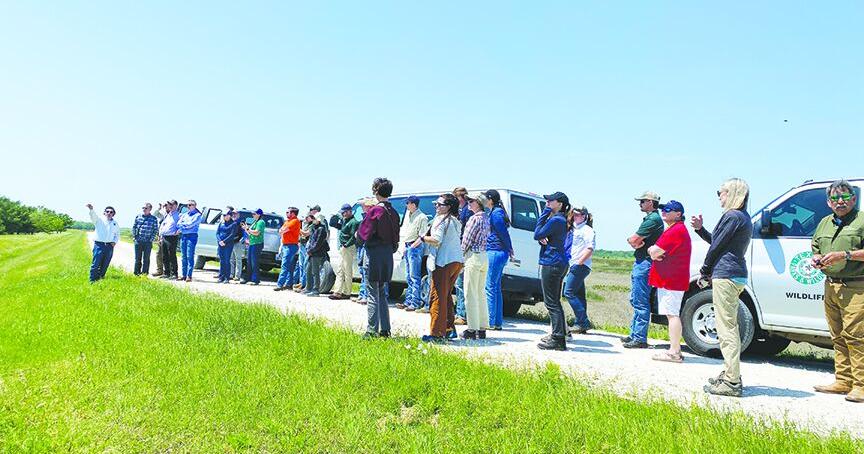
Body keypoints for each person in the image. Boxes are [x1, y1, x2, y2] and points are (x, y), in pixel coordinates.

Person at [691, 178, 752, 397]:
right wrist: (700, 230)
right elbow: (719, 241)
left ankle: (732, 381)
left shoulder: (732, 216)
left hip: (726, 274)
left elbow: (717, 247)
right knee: (729, 326)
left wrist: (705, 270)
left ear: (734, 193)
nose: (719, 195)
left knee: (726, 329)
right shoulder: (741, 217)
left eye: (722, 191)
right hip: (735, 274)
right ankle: (729, 372)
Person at [811, 180, 864, 403]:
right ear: (828, 202)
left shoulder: (861, 220)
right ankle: (843, 380)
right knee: (838, 334)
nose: (839, 201)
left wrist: (845, 255)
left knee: (857, 336)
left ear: (854, 198)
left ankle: (860, 386)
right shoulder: (824, 223)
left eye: (844, 197)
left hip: (856, 285)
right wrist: (815, 258)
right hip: (831, 284)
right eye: (834, 198)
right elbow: (815, 246)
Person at [647, 200, 692, 363]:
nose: (663, 212)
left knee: (672, 315)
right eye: (663, 209)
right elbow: (654, 251)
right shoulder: (675, 230)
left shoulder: (676, 230)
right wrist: (653, 250)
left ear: (678, 214)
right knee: (671, 314)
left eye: (668, 210)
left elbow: (654, 251)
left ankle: (674, 351)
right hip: (671, 280)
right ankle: (675, 349)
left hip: (671, 281)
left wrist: (652, 250)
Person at [357, 177, 400, 338]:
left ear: (375, 191)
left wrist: (359, 236)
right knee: (382, 292)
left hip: (374, 254)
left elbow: (363, 234)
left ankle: (371, 330)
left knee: (372, 292)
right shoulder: (394, 212)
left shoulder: (375, 211)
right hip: (387, 254)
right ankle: (385, 329)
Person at [419, 194, 464, 343]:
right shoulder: (456, 221)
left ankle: (437, 333)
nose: (436, 207)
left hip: (443, 262)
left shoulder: (440, 219)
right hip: (456, 261)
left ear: (448, 207)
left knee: (436, 297)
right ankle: (448, 329)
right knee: (446, 297)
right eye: (436, 204)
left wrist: (423, 238)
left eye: (440, 204)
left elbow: (436, 240)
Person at [622, 191, 664, 349]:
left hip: (644, 263)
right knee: (636, 299)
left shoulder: (653, 219)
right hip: (643, 262)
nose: (640, 203)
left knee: (640, 301)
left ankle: (639, 338)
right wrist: (634, 241)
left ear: (651, 203)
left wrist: (633, 241)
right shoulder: (652, 219)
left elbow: (633, 240)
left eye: (643, 201)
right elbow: (634, 241)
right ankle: (634, 334)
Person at [534, 192, 571, 351]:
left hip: (552, 263)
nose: (547, 202)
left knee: (551, 302)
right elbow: (542, 236)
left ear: (560, 203)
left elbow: (537, 234)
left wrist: (544, 212)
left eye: (551, 200)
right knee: (554, 301)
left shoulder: (556, 219)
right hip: (558, 262)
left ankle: (557, 338)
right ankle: (558, 335)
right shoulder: (559, 219)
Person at [459, 193, 491, 340]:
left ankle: (472, 329)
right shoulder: (486, 218)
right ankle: (482, 327)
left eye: (471, 201)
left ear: (478, 203)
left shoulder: (474, 219)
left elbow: (466, 240)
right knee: (480, 293)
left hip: (473, 256)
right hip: (484, 256)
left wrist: (460, 257)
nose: (469, 203)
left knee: (470, 294)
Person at [484, 189, 514, 330]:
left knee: (490, 287)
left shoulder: (495, 214)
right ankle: (497, 322)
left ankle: (491, 321)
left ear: (490, 200)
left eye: (485, 198)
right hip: (500, 252)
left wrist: (510, 248)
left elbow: (503, 233)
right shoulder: (497, 212)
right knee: (495, 288)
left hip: (495, 251)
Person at [563, 206, 595, 334]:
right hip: (574, 264)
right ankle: (580, 324)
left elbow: (590, 248)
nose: (575, 217)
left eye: (578, 215)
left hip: (580, 266)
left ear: (584, 216)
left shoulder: (587, 230)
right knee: (579, 295)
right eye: (574, 214)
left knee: (568, 292)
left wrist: (579, 262)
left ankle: (583, 321)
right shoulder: (573, 228)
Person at [398, 195, 429, 310]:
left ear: (413, 204)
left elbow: (422, 235)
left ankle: (415, 302)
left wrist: (411, 247)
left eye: (408, 203)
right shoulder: (409, 216)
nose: (406, 206)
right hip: (408, 245)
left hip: (415, 247)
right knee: (408, 276)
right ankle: (408, 301)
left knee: (414, 276)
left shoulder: (422, 217)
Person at [330, 204, 361, 300]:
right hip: (343, 248)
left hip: (348, 247)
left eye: (344, 212)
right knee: (340, 270)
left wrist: (346, 244)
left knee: (347, 270)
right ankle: (338, 291)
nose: (343, 214)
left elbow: (353, 236)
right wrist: (335, 216)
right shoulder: (345, 221)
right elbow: (333, 224)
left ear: (349, 211)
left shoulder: (353, 222)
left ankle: (347, 292)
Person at [452, 187, 472, 325]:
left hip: (463, 250)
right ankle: (460, 312)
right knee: (459, 283)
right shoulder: (463, 210)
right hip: (461, 248)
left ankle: (462, 314)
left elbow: (465, 232)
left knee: (460, 283)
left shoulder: (466, 212)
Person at [86, 203, 120, 282]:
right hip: (99, 245)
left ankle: (100, 278)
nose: (109, 213)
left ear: (113, 214)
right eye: (107, 211)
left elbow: (117, 234)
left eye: (111, 212)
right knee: (96, 263)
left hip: (109, 246)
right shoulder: (98, 220)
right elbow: (93, 216)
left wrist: (114, 242)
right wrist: (91, 209)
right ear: (104, 213)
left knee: (105, 263)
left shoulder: (115, 223)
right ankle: (92, 280)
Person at [353, 198, 377, 305]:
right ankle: (363, 293)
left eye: (365, 205)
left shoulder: (372, 217)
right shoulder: (365, 217)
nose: (363, 207)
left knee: (368, 271)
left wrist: (359, 234)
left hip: (368, 246)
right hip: (362, 245)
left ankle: (367, 295)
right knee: (363, 271)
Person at [295, 204, 322, 292]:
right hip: (303, 245)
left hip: (310, 248)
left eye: (311, 213)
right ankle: (303, 283)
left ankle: (308, 285)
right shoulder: (308, 224)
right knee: (301, 265)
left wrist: (298, 228)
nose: (308, 217)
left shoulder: (318, 227)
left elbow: (306, 234)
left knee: (309, 267)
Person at [275, 207, 302, 291]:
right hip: (285, 245)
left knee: (285, 265)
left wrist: (282, 230)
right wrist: (282, 230)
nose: (286, 214)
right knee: (289, 266)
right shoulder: (287, 221)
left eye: (288, 212)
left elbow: (284, 230)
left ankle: (280, 285)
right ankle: (288, 283)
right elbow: (280, 230)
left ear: (293, 213)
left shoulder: (295, 221)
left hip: (291, 246)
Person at [304, 213, 330, 296]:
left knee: (315, 272)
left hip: (317, 253)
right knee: (308, 270)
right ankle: (308, 288)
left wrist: (311, 250)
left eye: (314, 218)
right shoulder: (314, 228)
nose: (313, 219)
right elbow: (311, 240)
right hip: (312, 252)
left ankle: (316, 290)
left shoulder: (321, 229)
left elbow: (318, 243)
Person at [177, 199, 203, 282]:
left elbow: (191, 224)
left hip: (192, 236)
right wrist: (184, 226)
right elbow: (178, 224)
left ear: (195, 206)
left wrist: (183, 226)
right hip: (184, 236)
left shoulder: (198, 215)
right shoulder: (184, 215)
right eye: (187, 205)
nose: (188, 206)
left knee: (189, 256)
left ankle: (189, 275)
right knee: (183, 256)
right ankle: (184, 275)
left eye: (190, 205)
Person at [132, 202, 159, 276]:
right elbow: (134, 227)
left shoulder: (153, 219)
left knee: (146, 259)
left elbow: (155, 230)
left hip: (148, 242)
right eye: (143, 208)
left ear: (150, 209)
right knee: (137, 258)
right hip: (138, 241)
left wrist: (151, 239)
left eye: (146, 208)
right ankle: (136, 273)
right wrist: (134, 237)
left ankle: (144, 273)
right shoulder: (138, 217)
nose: (144, 209)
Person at [241, 209, 266, 285]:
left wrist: (248, 229)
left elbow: (257, 232)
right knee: (249, 262)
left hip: (257, 244)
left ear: (259, 214)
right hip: (252, 243)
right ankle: (248, 278)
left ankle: (255, 280)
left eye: (254, 214)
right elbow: (251, 233)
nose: (253, 215)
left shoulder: (261, 222)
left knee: (254, 262)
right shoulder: (255, 222)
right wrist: (246, 229)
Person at [158, 200, 181, 280]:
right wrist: (160, 236)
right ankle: (166, 273)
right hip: (164, 237)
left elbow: (181, 225)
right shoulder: (168, 215)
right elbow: (163, 225)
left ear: (176, 205)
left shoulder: (178, 215)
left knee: (172, 255)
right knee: (165, 255)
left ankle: (174, 273)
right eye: (169, 204)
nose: (170, 206)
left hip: (172, 237)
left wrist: (178, 231)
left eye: (172, 204)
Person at [216, 211, 239, 283]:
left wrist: (224, 241)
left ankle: (227, 277)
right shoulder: (221, 223)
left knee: (227, 261)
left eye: (226, 215)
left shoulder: (233, 224)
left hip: (228, 245)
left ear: (229, 216)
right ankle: (221, 277)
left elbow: (232, 235)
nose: (224, 216)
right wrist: (220, 241)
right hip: (220, 244)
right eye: (224, 215)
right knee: (222, 261)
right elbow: (217, 233)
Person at [151, 202, 167, 277]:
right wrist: (159, 208)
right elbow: (154, 215)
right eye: (165, 206)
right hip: (160, 237)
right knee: (158, 254)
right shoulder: (163, 215)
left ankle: (167, 271)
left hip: (168, 237)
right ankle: (159, 270)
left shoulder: (172, 215)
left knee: (167, 254)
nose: (165, 207)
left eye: (166, 205)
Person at [230, 210, 247, 281]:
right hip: (231, 243)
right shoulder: (231, 222)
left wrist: (242, 240)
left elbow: (245, 232)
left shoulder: (241, 222)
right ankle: (231, 274)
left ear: (238, 214)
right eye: (233, 213)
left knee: (238, 260)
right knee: (231, 259)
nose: (234, 215)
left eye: (235, 213)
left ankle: (237, 276)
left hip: (238, 243)